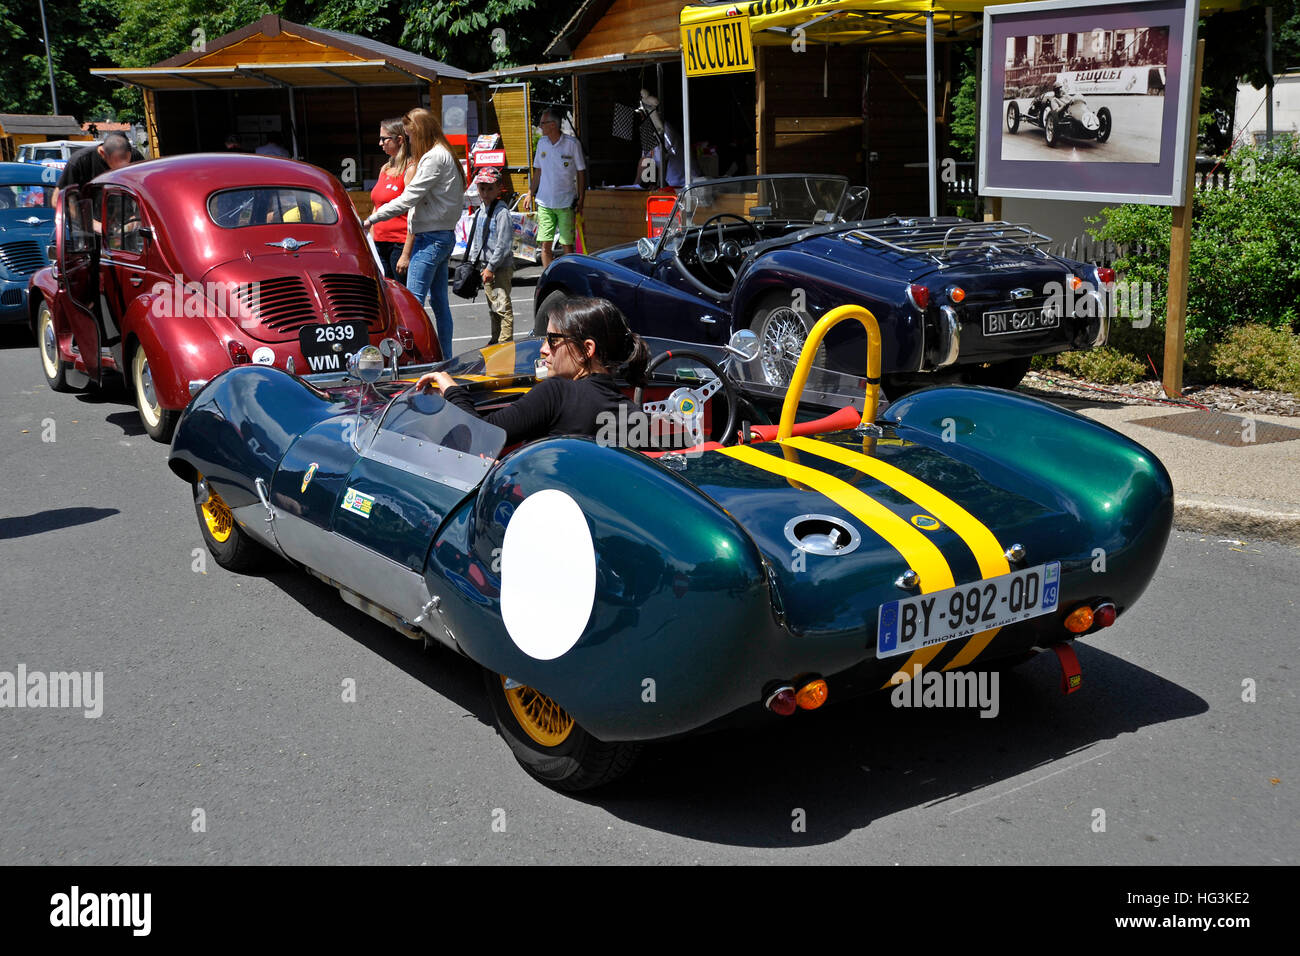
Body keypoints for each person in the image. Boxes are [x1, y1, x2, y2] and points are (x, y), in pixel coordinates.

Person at [415, 297, 648, 447]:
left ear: (587, 349)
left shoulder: (557, 394)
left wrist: (451, 388)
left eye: (553, 340)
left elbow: (480, 437)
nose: (544, 349)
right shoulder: (630, 412)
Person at [363, 108, 465, 356]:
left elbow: (408, 199)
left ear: (419, 132)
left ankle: (413, 360)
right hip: (441, 236)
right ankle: (445, 357)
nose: (409, 141)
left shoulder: (432, 158)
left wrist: (371, 219)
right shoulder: (443, 154)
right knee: (439, 304)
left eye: (409, 135)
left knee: (411, 305)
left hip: (430, 238)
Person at [522, 108, 586, 268]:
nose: (540, 126)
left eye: (543, 123)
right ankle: (547, 280)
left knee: (567, 245)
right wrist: (530, 193)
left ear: (553, 125)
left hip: (566, 202)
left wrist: (581, 198)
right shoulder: (542, 143)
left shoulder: (572, 144)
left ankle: (571, 280)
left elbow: (581, 172)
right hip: (544, 202)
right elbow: (538, 171)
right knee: (545, 245)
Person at [466, 167, 515, 345]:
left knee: (502, 306)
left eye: (490, 188)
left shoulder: (501, 212)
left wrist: (491, 267)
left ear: (499, 188)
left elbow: (503, 244)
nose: (485, 193)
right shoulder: (481, 210)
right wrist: (474, 263)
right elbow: (477, 239)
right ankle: (496, 339)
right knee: (493, 306)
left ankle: (505, 342)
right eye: (482, 188)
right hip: (486, 266)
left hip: (498, 267)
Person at [369, 117, 415, 282]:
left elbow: (414, 213)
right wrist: (371, 241)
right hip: (380, 243)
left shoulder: (410, 170)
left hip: (399, 244)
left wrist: (406, 254)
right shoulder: (385, 168)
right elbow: (377, 206)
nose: (380, 143)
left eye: (384, 139)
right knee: (386, 294)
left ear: (400, 139)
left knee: (402, 294)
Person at [54, 133, 143, 203]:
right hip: (89, 220)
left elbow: (144, 192)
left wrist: (136, 216)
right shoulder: (80, 161)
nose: (120, 170)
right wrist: (88, 222)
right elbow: (57, 200)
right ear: (102, 153)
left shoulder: (135, 158)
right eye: (116, 166)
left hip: (126, 221)